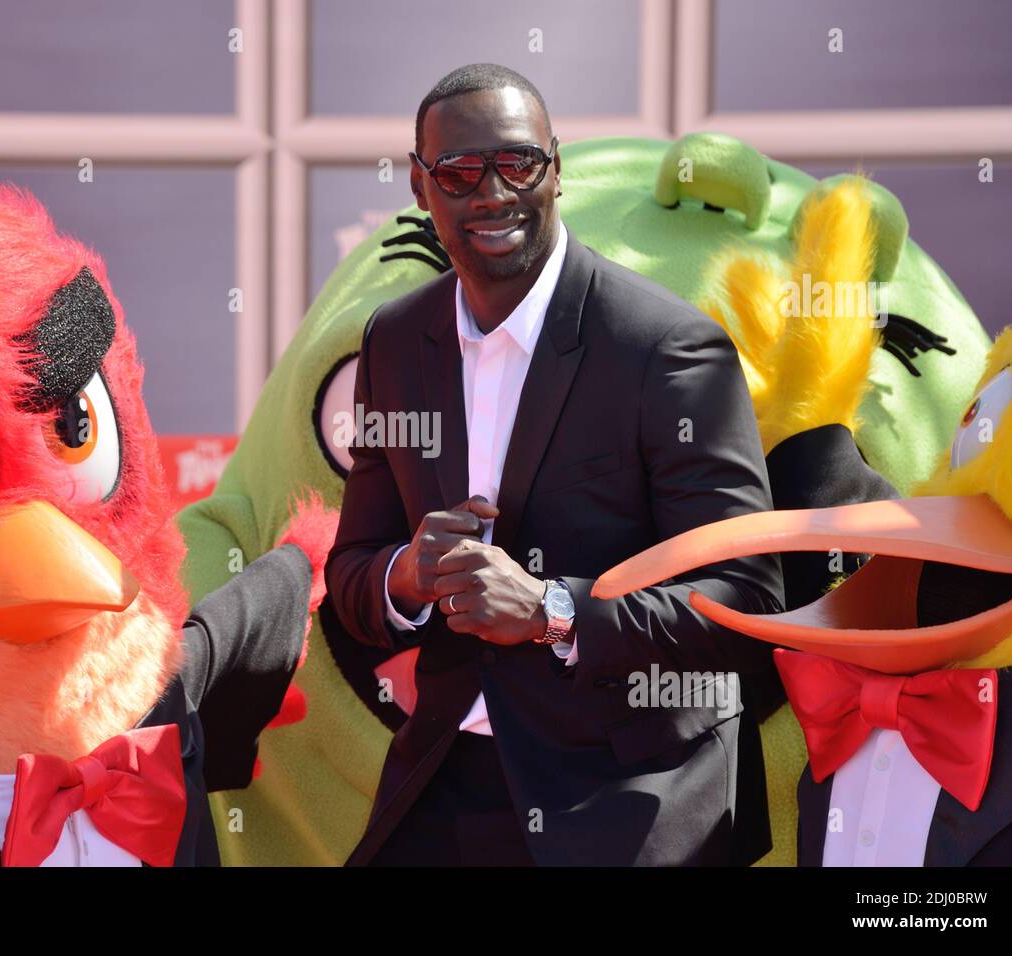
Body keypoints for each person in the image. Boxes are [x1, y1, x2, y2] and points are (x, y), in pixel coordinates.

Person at [326, 63, 784, 866]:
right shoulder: (396, 342)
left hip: (629, 794)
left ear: (556, 169)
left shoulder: (664, 348)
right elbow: (353, 573)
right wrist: (407, 575)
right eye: (461, 172)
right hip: (444, 778)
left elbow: (744, 602)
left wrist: (551, 611)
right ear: (421, 185)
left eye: (519, 164)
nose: (493, 193)